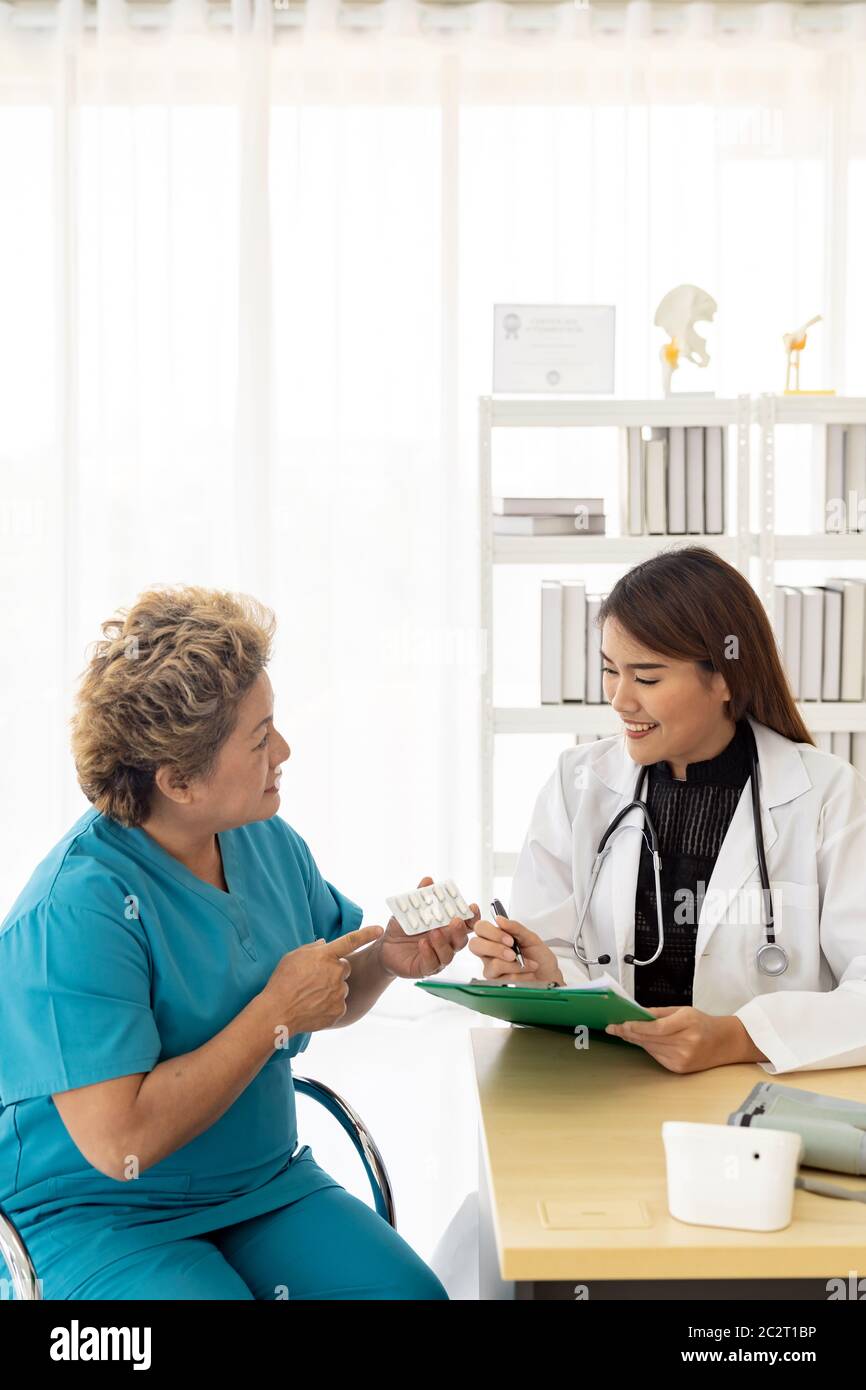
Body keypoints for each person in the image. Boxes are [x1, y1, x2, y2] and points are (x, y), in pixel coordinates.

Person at [0, 585, 477, 1300]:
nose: (283, 750)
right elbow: (120, 1144)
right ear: (179, 780)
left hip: (261, 1183)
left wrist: (385, 960)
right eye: (260, 739)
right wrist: (272, 1015)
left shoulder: (263, 840)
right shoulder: (76, 910)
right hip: (100, 1216)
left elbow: (321, 994)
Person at [470, 547, 866, 1076]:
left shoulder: (827, 795)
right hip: (604, 1082)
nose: (619, 699)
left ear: (725, 678)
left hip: (754, 1098)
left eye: (648, 678)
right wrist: (545, 981)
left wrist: (734, 1037)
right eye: (611, 670)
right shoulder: (578, 783)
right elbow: (556, 951)